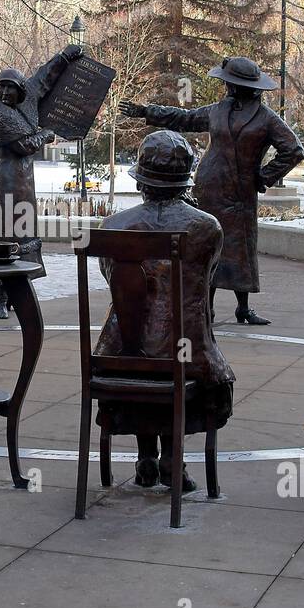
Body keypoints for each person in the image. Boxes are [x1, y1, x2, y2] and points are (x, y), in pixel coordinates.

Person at [94, 131, 235, 491]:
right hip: (187, 351)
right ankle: (172, 459)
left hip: (118, 354)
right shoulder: (207, 228)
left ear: (141, 180)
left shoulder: (112, 227)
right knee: (178, 357)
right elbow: (203, 286)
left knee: (141, 353)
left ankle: (146, 459)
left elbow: (113, 279)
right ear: (184, 181)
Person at [120, 56, 304, 325]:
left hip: (240, 193)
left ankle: (243, 308)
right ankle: (205, 307)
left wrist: (263, 177)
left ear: (239, 86)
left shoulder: (266, 119)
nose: (226, 88)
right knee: (207, 243)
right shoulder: (219, 110)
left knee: (241, 247)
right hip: (208, 188)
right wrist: (146, 112)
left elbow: (293, 150)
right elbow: (184, 118)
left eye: (228, 83)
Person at [0, 44, 84, 318]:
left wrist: (65, 55)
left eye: (9, 88)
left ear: (20, 90)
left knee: (24, 231)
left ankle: (18, 290)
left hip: (25, 179)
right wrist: (47, 135)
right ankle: (0, 297)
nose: (4, 93)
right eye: (0, 87)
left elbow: (45, 75)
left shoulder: (28, 99)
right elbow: (24, 146)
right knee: (5, 232)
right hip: (4, 177)